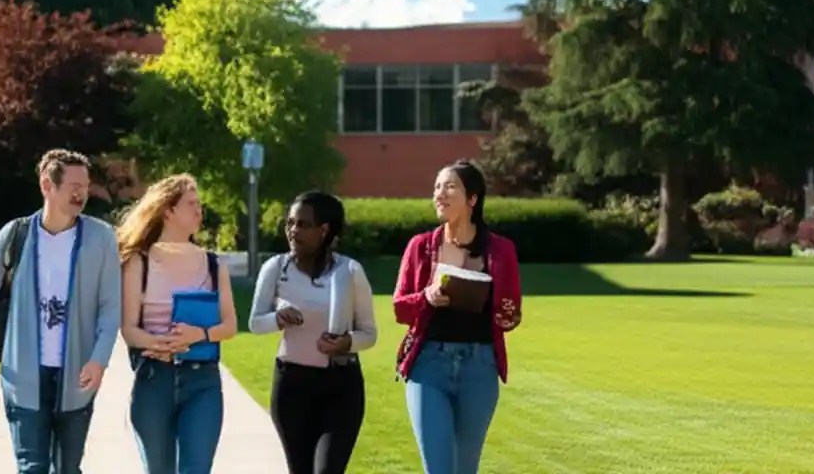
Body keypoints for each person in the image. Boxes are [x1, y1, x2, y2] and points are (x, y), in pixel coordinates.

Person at [0, 149, 122, 474]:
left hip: (77, 375)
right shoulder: (14, 235)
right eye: (73, 186)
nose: (81, 193)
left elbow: (111, 306)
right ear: (47, 185)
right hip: (22, 376)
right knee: (32, 468)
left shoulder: (101, 238)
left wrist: (99, 359)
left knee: (67, 469)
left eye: (85, 186)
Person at [393, 160, 523, 474]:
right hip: (428, 366)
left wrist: (508, 316)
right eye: (437, 187)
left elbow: (511, 311)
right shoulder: (421, 247)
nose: (440, 194)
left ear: (472, 199)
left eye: (450, 186)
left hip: (479, 368)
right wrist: (426, 296)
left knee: (465, 469)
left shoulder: (501, 250)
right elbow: (400, 308)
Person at [116, 174, 238, 474]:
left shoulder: (213, 264)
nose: (200, 211)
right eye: (191, 204)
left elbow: (231, 324)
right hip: (154, 381)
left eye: (200, 204)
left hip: (203, 383)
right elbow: (129, 329)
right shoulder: (138, 262)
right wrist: (162, 344)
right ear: (168, 211)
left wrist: (200, 334)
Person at [249, 191, 378, 474]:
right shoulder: (275, 268)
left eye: (303, 225)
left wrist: (346, 343)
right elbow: (256, 323)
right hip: (291, 386)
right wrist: (278, 318)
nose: (293, 231)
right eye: (290, 223)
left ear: (324, 230)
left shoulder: (350, 272)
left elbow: (369, 333)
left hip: (340, 387)